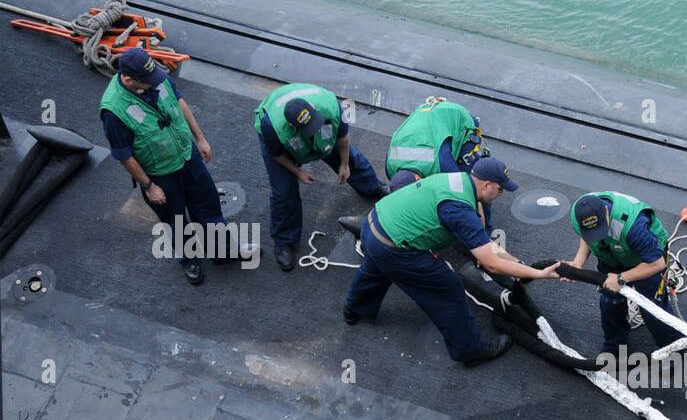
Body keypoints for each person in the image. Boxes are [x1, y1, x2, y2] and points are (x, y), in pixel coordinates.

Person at [343, 158, 558, 366]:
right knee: (449, 288)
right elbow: (489, 261)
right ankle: (471, 351)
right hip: (393, 246)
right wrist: (538, 274)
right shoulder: (459, 209)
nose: (501, 194)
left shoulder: (457, 180)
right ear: (487, 184)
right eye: (500, 189)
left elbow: (486, 243)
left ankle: (355, 308)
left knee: (376, 268)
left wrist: (520, 265)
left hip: (375, 222)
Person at [100, 47, 228, 285]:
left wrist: (199, 138)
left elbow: (179, 102)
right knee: (175, 220)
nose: (155, 82)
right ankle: (188, 259)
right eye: (148, 81)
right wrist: (149, 186)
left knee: (208, 207)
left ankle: (222, 251)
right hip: (161, 176)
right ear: (128, 79)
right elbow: (124, 155)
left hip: (189, 158)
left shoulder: (154, 77)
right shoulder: (114, 111)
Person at [254, 82, 389, 271]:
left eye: (315, 124)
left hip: (319, 121)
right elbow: (277, 155)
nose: (316, 130)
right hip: (281, 142)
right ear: (292, 126)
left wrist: (343, 164)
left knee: (349, 158)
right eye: (309, 128)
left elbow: (343, 138)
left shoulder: (330, 105)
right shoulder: (273, 127)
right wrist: (298, 171)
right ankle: (284, 241)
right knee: (283, 191)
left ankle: (372, 186)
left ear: (314, 109)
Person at [567, 191, 682, 354]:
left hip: (646, 259)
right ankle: (615, 345)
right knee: (609, 302)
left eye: (600, 228)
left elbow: (657, 263)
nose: (596, 235)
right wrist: (578, 262)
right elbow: (586, 238)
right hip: (611, 256)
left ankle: (673, 349)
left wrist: (621, 278)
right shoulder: (578, 216)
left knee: (651, 308)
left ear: (606, 212)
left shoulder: (633, 225)